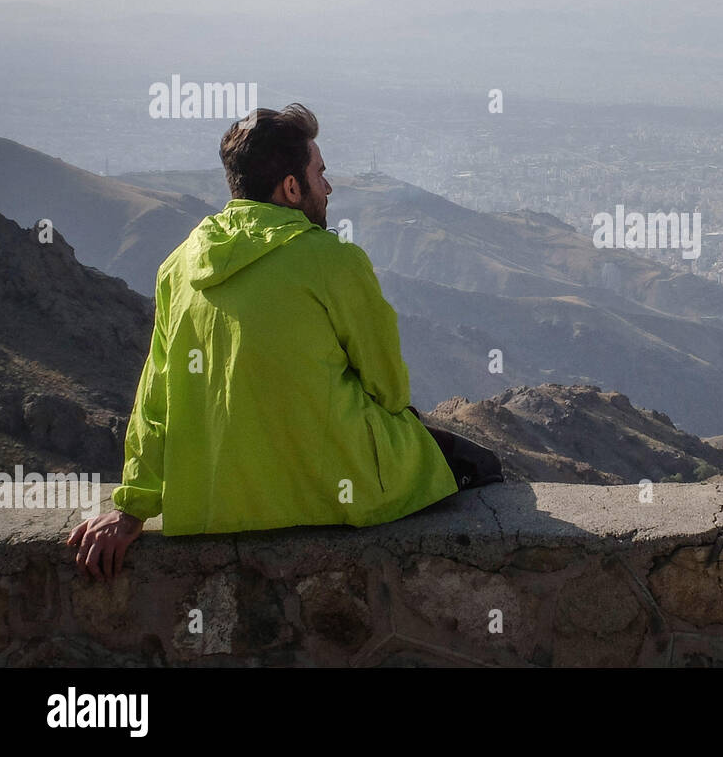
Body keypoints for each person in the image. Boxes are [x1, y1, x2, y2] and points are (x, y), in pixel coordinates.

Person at [68, 104, 501, 580]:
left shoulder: (180, 265)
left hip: (217, 501)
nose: (328, 187)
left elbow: (154, 402)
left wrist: (131, 511)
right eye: (320, 173)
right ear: (292, 188)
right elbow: (390, 390)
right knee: (481, 467)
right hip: (337, 490)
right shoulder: (332, 260)